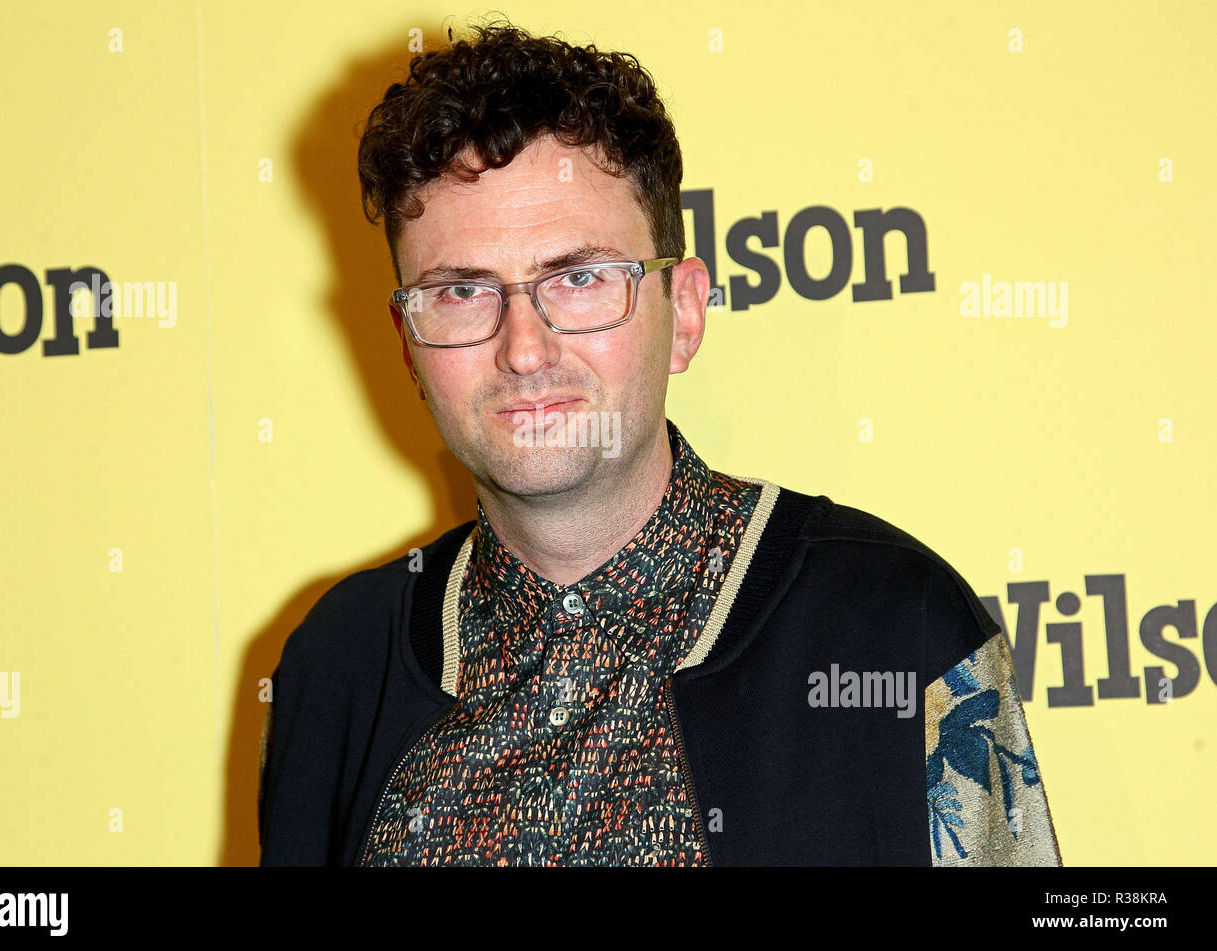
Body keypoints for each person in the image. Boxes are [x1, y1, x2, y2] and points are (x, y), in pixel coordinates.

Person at [258, 19, 1060, 866]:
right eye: (461, 292)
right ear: (408, 345)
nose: (524, 349)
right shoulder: (338, 666)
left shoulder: (898, 627)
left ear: (683, 313)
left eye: (578, 278)